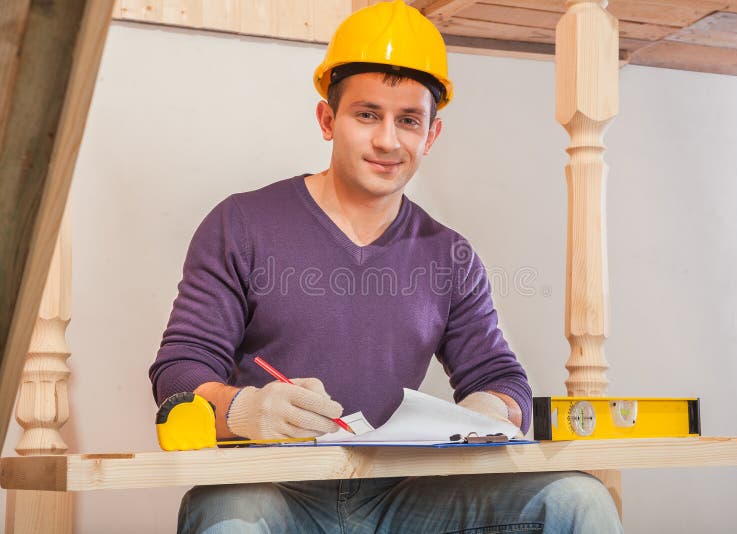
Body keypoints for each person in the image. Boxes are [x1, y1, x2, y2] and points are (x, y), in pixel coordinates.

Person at [149, 1, 623, 532]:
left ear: (432, 135)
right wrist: (245, 409)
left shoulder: (449, 255)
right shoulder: (241, 224)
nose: (388, 141)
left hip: (403, 497)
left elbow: (500, 377)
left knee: (578, 500)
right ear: (328, 119)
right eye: (367, 114)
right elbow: (179, 372)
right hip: (269, 488)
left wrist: (491, 413)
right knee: (228, 523)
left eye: (408, 121)